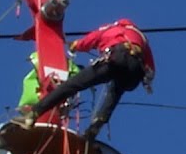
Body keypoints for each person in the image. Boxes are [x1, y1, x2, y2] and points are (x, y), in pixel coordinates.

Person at [19, 18, 155, 141]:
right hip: (134, 73)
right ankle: (94, 129)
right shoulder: (142, 39)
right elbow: (151, 68)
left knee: (72, 85)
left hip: (117, 58)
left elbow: (92, 38)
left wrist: (76, 45)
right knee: (113, 96)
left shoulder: (113, 28)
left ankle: (35, 113)